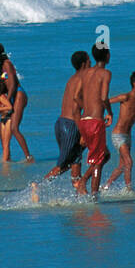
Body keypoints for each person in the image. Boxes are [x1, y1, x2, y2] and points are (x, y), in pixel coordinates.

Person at [44, 50, 89, 191]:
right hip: (71, 125)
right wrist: (83, 131)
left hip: (62, 122)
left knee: (75, 159)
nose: (91, 63)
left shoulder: (73, 78)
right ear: (84, 63)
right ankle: (39, 186)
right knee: (66, 163)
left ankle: (79, 191)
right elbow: (80, 105)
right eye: (89, 61)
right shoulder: (84, 79)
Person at [0, 41, 32, 162]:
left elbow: (12, 84)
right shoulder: (1, 65)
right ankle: (7, 157)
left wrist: (9, 99)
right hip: (13, 95)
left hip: (18, 95)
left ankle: (28, 157)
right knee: (1, 131)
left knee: (14, 128)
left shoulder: (6, 64)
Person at [77, 43, 113, 193]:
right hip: (95, 121)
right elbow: (104, 97)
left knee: (105, 155)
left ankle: (84, 180)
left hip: (84, 120)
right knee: (98, 161)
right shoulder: (105, 73)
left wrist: (86, 108)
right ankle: (93, 197)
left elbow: (75, 96)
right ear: (107, 56)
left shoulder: (85, 73)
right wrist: (109, 112)